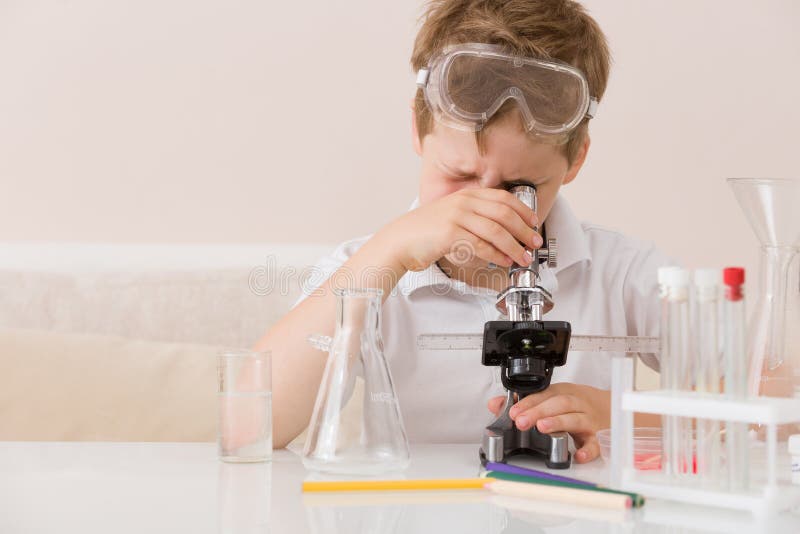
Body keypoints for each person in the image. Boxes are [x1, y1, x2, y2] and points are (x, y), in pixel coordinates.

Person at [255, 0, 669, 462]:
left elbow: (761, 397)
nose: (484, 205)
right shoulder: (364, 265)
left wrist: (620, 415)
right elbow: (249, 426)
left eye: (520, 188)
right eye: (458, 174)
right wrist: (389, 254)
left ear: (575, 160)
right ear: (417, 130)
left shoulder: (623, 272)